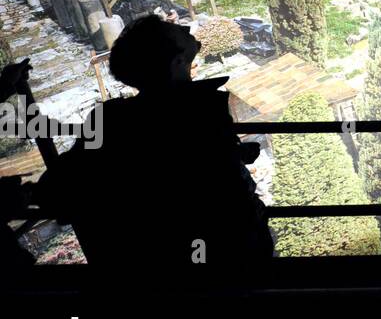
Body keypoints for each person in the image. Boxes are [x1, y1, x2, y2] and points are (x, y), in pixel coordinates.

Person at [35, 16, 272, 273]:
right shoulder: (199, 112)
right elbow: (203, 182)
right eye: (175, 31)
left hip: (155, 258)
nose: (184, 27)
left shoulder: (113, 119)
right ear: (177, 62)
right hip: (222, 252)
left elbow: (58, 187)